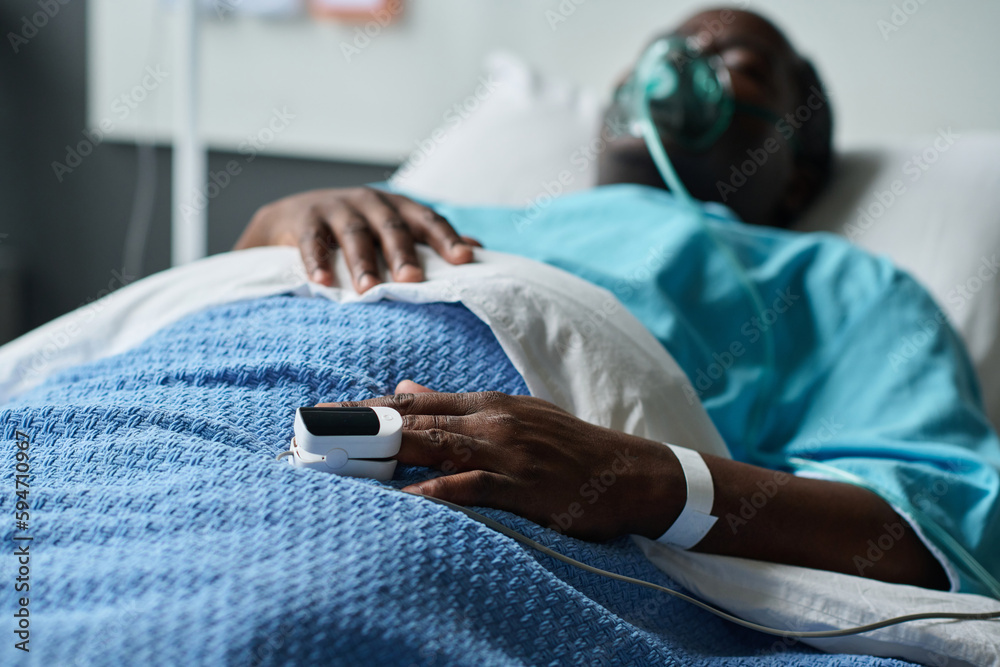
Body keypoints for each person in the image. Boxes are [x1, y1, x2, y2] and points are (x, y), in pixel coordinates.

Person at [234, 8, 1000, 594]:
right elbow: (228, 298)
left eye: (739, 63)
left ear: (796, 175)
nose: (680, 64)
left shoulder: (841, 283)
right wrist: (280, 221)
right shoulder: (449, 213)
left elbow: (940, 529)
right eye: (668, 48)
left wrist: (640, 478)